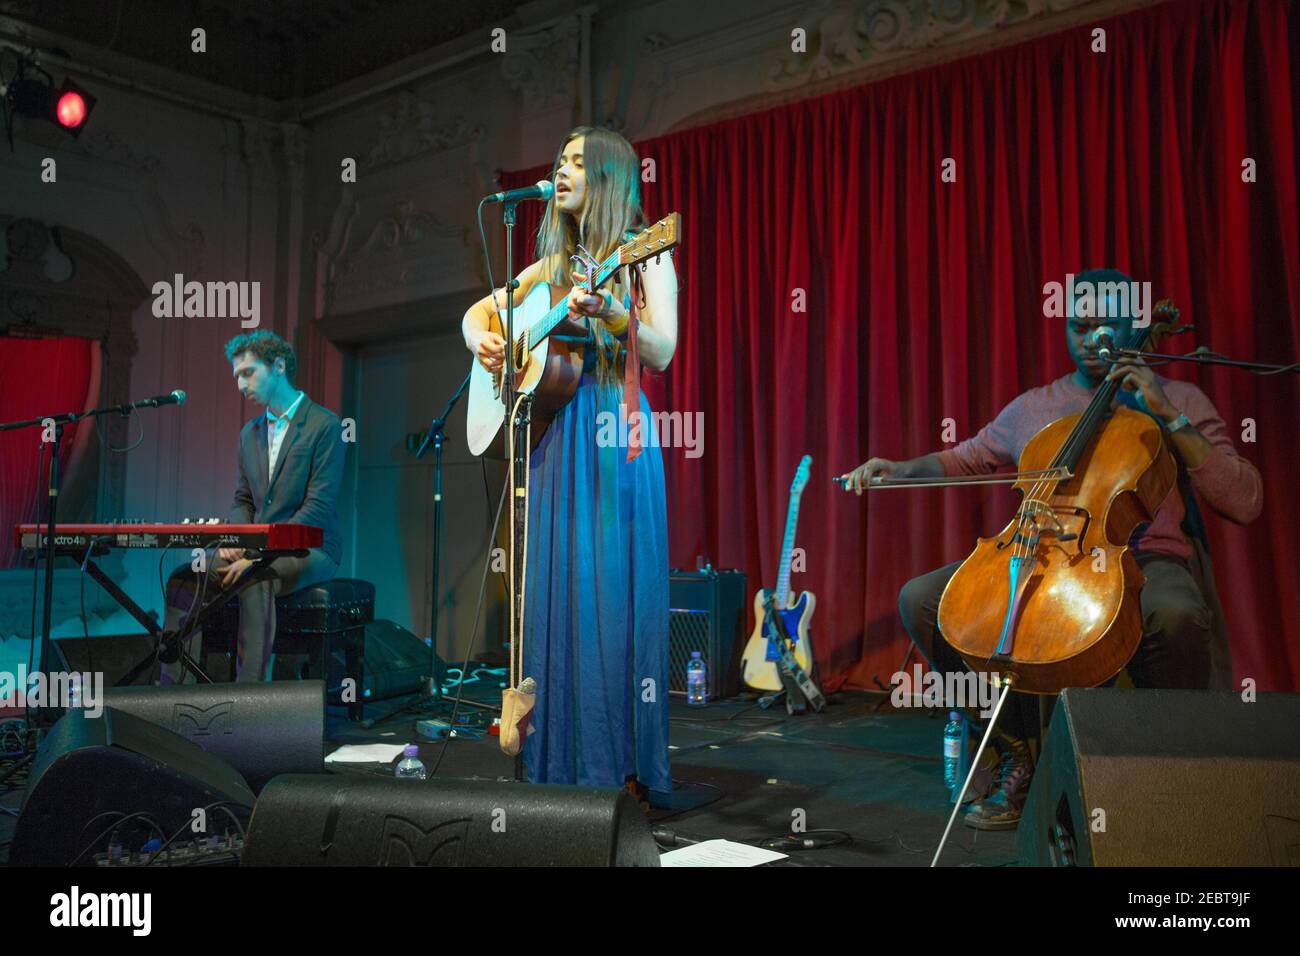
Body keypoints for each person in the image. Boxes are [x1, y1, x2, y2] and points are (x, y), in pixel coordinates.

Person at [843, 268, 1263, 830]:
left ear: (1132, 326)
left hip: (1141, 556)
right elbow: (965, 458)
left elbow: (1244, 499)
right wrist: (898, 469)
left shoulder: (1178, 397)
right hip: (1039, 550)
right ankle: (1014, 747)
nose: (1091, 339)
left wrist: (1166, 413)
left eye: (1105, 326)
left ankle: (1167, 763)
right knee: (922, 599)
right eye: (1078, 326)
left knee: (1175, 613)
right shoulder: (1033, 406)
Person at [461, 126, 678, 802]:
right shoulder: (551, 267)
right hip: (556, 439)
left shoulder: (644, 252)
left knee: (610, 596)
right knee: (553, 597)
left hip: (612, 432)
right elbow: (477, 314)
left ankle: (618, 768)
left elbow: (663, 350)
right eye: (560, 161)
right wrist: (483, 342)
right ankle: (558, 765)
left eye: (579, 163)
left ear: (609, 178)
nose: (562, 171)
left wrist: (614, 314)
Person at [161, 330, 346, 684]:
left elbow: (318, 508)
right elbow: (243, 499)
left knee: (255, 577)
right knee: (184, 578)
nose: (240, 384)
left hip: (312, 549)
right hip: (259, 545)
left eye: (248, 373)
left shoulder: (325, 425)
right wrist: (235, 540)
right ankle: (173, 694)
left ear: (278, 366)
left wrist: (257, 554)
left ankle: (251, 699)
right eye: (236, 376)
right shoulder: (249, 433)